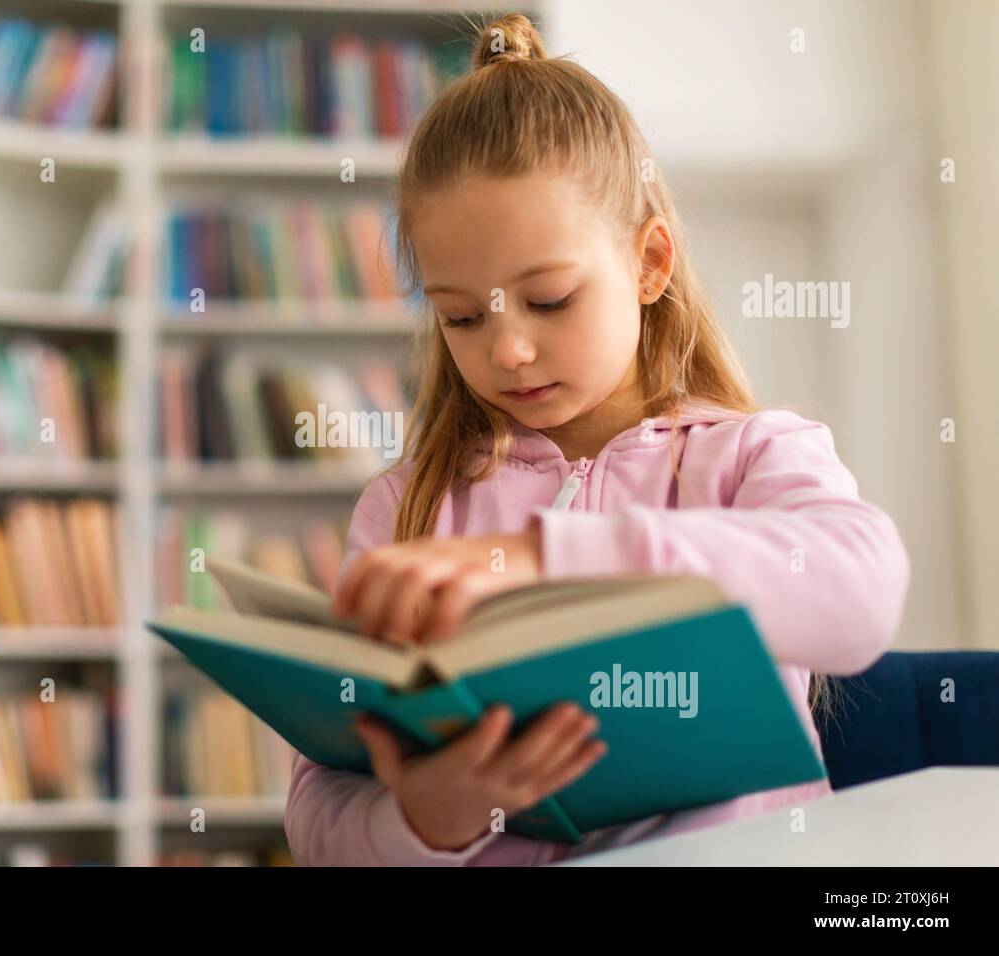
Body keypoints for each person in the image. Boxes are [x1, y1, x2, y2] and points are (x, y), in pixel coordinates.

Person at [283, 13, 910, 866]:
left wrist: (551, 558)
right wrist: (430, 818)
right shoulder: (405, 510)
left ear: (649, 263)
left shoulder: (753, 456)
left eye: (548, 299)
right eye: (461, 315)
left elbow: (863, 592)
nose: (506, 348)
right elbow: (318, 810)